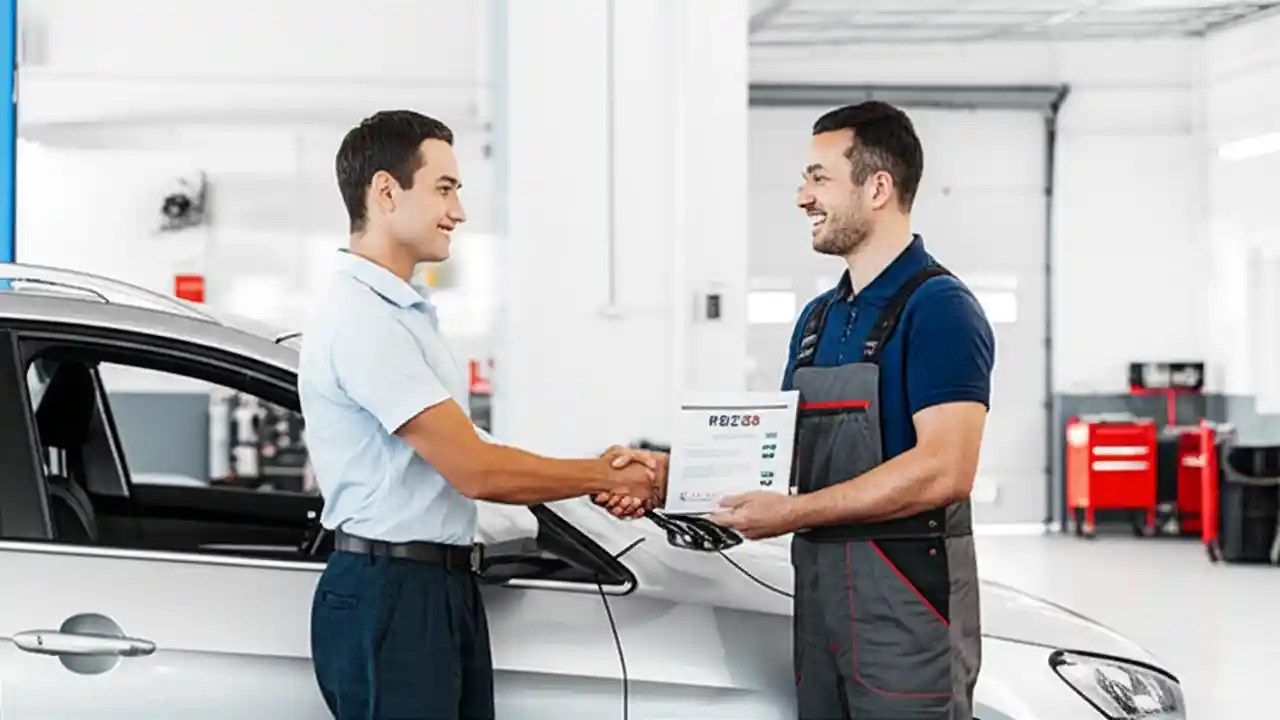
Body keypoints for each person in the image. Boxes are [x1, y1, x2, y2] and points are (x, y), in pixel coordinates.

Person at [298, 110, 662, 720]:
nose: (459, 211)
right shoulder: (363, 320)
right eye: (444, 188)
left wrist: (598, 468)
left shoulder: (400, 314)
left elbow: (470, 447)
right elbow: (476, 471)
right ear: (386, 193)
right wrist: (606, 477)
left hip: (433, 589)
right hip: (394, 594)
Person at [710, 101, 995, 719]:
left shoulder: (940, 308)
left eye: (818, 178)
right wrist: (663, 474)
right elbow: (775, 449)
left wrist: (794, 512)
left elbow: (946, 469)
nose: (801, 197)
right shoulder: (819, 318)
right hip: (819, 605)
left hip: (907, 612)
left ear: (878, 188)